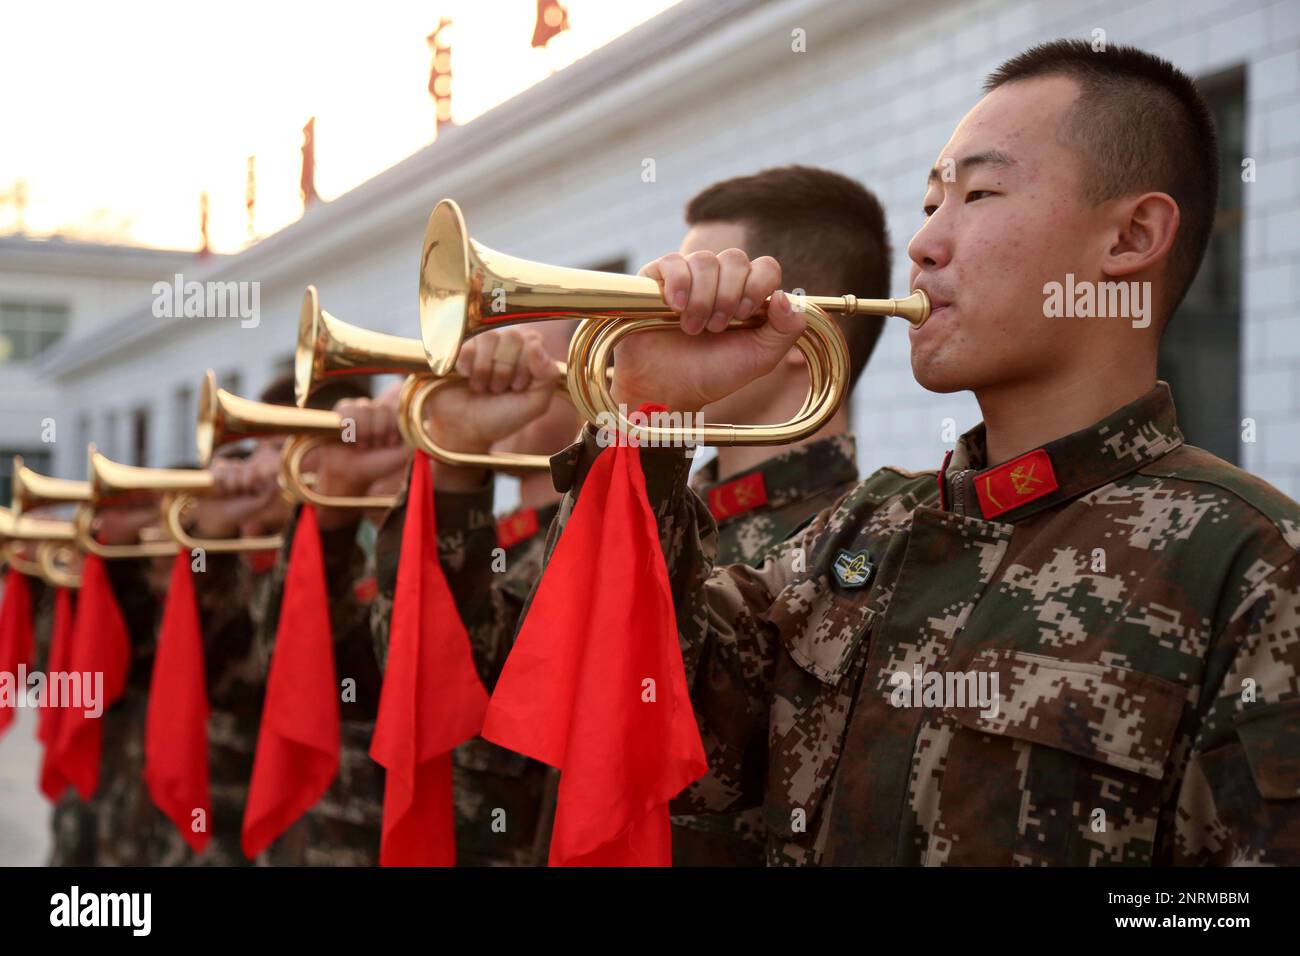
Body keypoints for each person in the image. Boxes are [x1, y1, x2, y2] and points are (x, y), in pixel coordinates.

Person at [542, 39, 1300, 865]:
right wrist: (650, 422)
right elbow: (611, 711)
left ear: (1130, 237)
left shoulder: (1252, 564)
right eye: (931, 202)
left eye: (978, 193)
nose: (925, 244)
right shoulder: (862, 531)